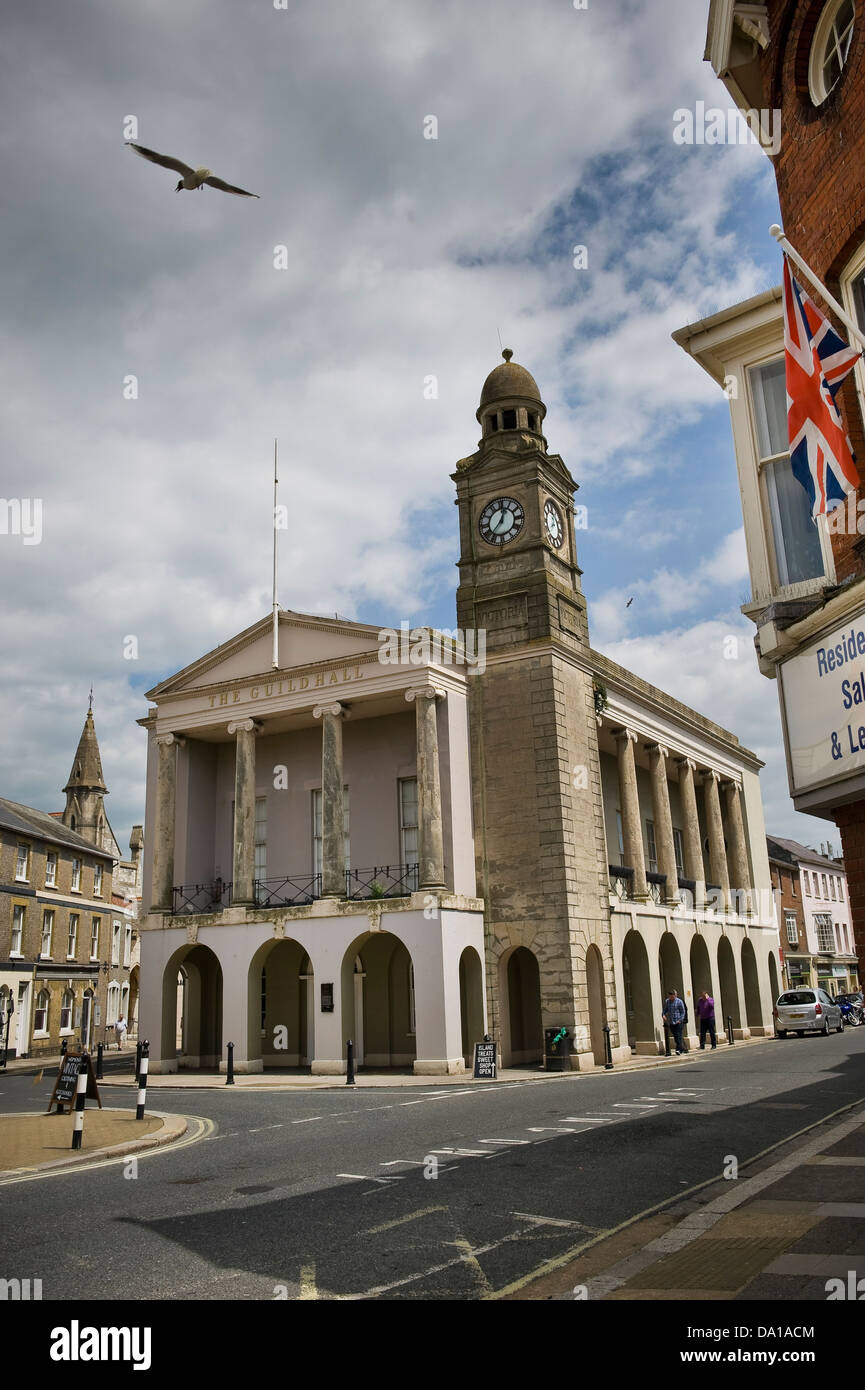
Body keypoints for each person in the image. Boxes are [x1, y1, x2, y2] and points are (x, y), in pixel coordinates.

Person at [662, 989, 687, 1054]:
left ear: (675, 995)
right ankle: (682, 1048)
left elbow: (683, 1011)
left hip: (678, 1021)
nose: (671, 998)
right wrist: (663, 1015)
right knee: (676, 1036)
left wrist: (680, 1020)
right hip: (671, 1022)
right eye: (670, 996)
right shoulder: (667, 1001)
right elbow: (665, 1010)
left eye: (672, 996)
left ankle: (678, 1049)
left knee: (678, 1035)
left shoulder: (679, 1001)